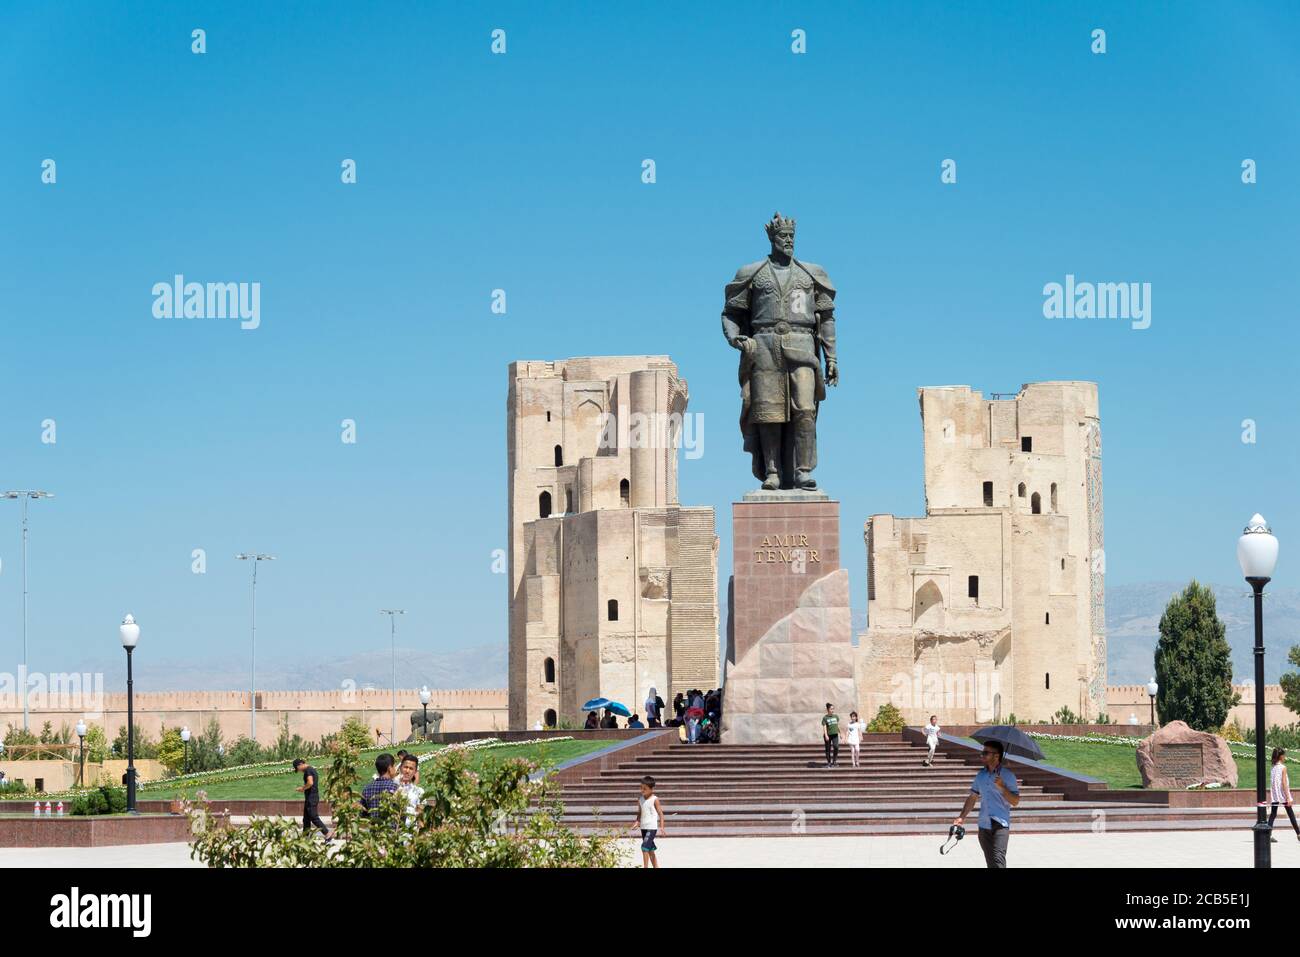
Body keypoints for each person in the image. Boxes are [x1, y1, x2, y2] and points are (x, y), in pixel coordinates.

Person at [953, 740, 1020, 868]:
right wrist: (962, 817)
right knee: (991, 863)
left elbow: (1015, 801)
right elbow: (972, 797)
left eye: (985, 753)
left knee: (998, 862)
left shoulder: (1008, 776)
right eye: (982, 752)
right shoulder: (981, 775)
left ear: (997, 756)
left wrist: (1002, 787)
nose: (982, 755)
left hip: (1000, 825)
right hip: (984, 825)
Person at [628, 774, 664, 868]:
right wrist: (637, 822)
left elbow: (661, 814)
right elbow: (640, 813)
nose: (642, 790)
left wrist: (662, 827)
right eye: (641, 787)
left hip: (651, 828)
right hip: (643, 827)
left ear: (651, 789)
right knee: (650, 849)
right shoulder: (640, 799)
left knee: (644, 847)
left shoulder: (655, 799)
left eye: (645, 788)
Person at [293, 758, 330, 839]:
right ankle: (305, 837)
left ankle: (327, 833)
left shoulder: (308, 770)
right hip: (311, 797)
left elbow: (310, 782)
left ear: (300, 765)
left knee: (313, 817)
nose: (299, 771)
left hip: (311, 797)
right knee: (306, 818)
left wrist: (302, 788)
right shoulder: (311, 769)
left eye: (297, 769)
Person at [1269, 747, 1300, 842]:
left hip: (1275, 795)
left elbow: (1273, 783)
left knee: (1273, 814)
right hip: (1283, 794)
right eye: (1284, 755)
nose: (1285, 757)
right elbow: (1284, 783)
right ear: (1281, 756)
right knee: (1291, 814)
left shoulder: (1273, 768)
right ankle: (1298, 834)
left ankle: (1267, 835)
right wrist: (1288, 797)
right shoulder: (1283, 768)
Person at [361, 753, 399, 819]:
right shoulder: (395, 787)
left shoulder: (366, 789)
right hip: (392, 828)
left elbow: (363, 813)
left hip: (374, 827)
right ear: (390, 768)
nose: (395, 769)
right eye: (394, 766)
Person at [396, 753, 425, 824]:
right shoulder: (393, 787)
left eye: (411, 769)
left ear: (415, 772)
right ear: (400, 768)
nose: (407, 771)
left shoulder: (419, 791)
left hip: (411, 832)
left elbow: (420, 814)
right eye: (405, 767)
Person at [821, 702, 840, 768]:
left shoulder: (836, 716)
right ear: (828, 709)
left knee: (836, 747)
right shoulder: (825, 718)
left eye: (833, 709)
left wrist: (840, 733)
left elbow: (837, 725)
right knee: (828, 749)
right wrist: (826, 735)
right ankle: (829, 762)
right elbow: (824, 727)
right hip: (828, 735)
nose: (832, 710)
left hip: (835, 735)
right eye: (831, 709)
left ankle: (834, 761)